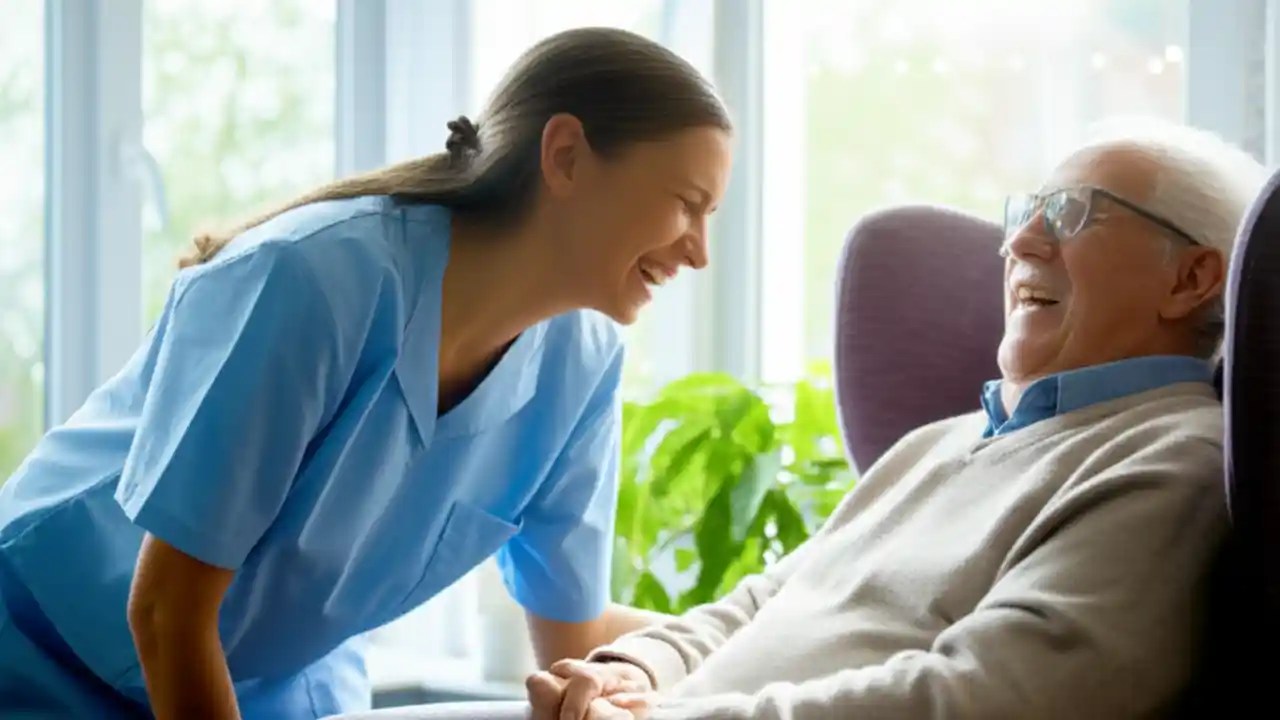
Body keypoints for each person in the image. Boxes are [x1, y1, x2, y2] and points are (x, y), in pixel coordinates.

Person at [340, 121, 1263, 720]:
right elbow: (760, 604)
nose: (1020, 240)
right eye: (1026, 212)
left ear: (1193, 278)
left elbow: (988, 699)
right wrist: (643, 671)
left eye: (1073, 214)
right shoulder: (940, 443)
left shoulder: (1171, 463)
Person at [0, 27, 732, 720]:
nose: (700, 253)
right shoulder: (313, 281)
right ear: (566, 155)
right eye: (687, 205)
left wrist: (773, 634)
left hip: (263, 680)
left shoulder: (583, 368)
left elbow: (573, 640)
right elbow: (165, 610)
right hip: (45, 647)